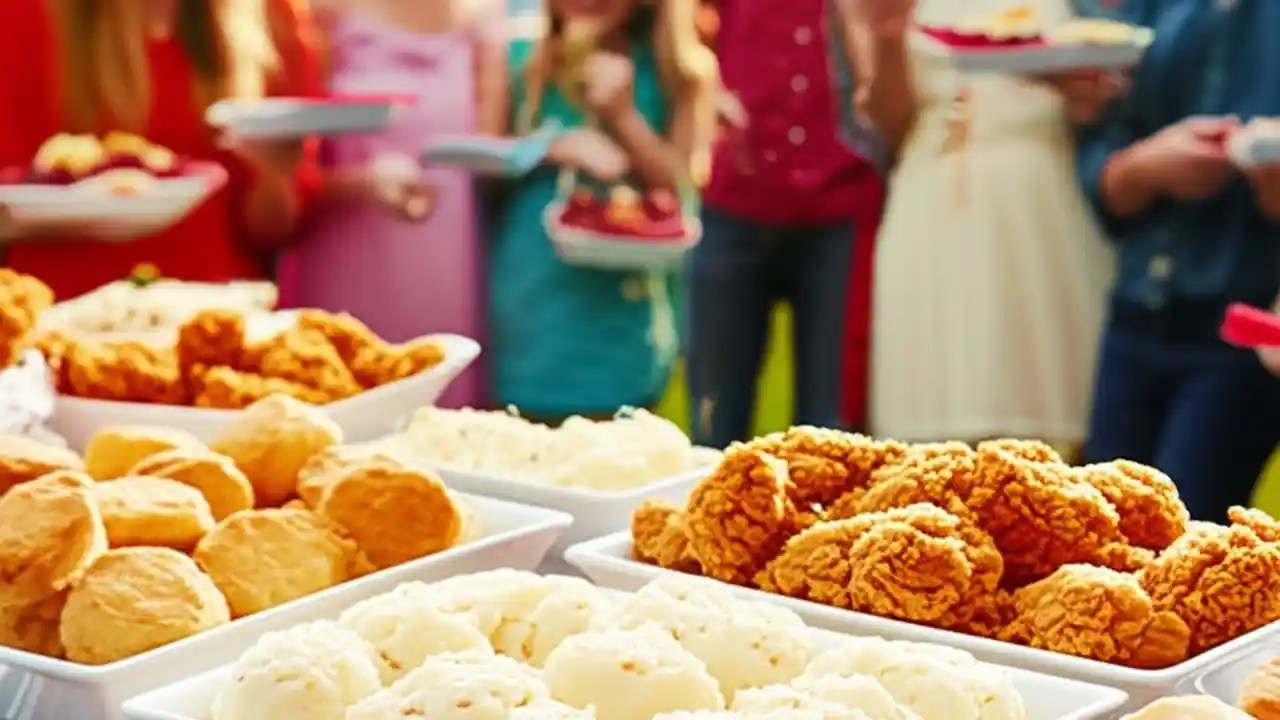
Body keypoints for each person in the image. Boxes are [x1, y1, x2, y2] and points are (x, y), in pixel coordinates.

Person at [864, 0, 1114, 450]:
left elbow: (1100, 103)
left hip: (1040, 196)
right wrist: (887, 36)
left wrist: (1070, 82)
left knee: (1043, 399)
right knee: (934, 407)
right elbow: (889, 124)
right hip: (935, 193)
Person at [1077, 0, 1280, 521]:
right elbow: (1105, 158)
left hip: (1240, 330)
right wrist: (1144, 166)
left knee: (1183, 534)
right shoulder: (1147, 14)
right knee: (1098, 523)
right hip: (1134, 311)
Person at [0, 0, 322, 300]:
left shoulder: (271, 16)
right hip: (60, 309)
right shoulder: (22, 16)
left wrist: (276, 173)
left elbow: (271, 228)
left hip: (213, 310)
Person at [490, 0, 715, 420]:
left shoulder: (678, 71)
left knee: (617, 442)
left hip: (626, 306)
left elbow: (680, 185)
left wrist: (623, 116)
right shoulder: (521, 57)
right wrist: (554, 148)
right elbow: (483, 160)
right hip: (535, 295)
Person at [277, 0, 507, 408]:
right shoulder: (324, 14)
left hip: (443, 269)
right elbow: (285, 170)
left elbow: (491, 152)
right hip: (341, 265)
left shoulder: (482, 21)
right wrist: (364, 182)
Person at [685, 0, 884, 447]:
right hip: (735, 201)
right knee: (715, 416)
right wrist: (707, 90)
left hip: (840, 207)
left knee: (829, 429)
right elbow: (674, 22)